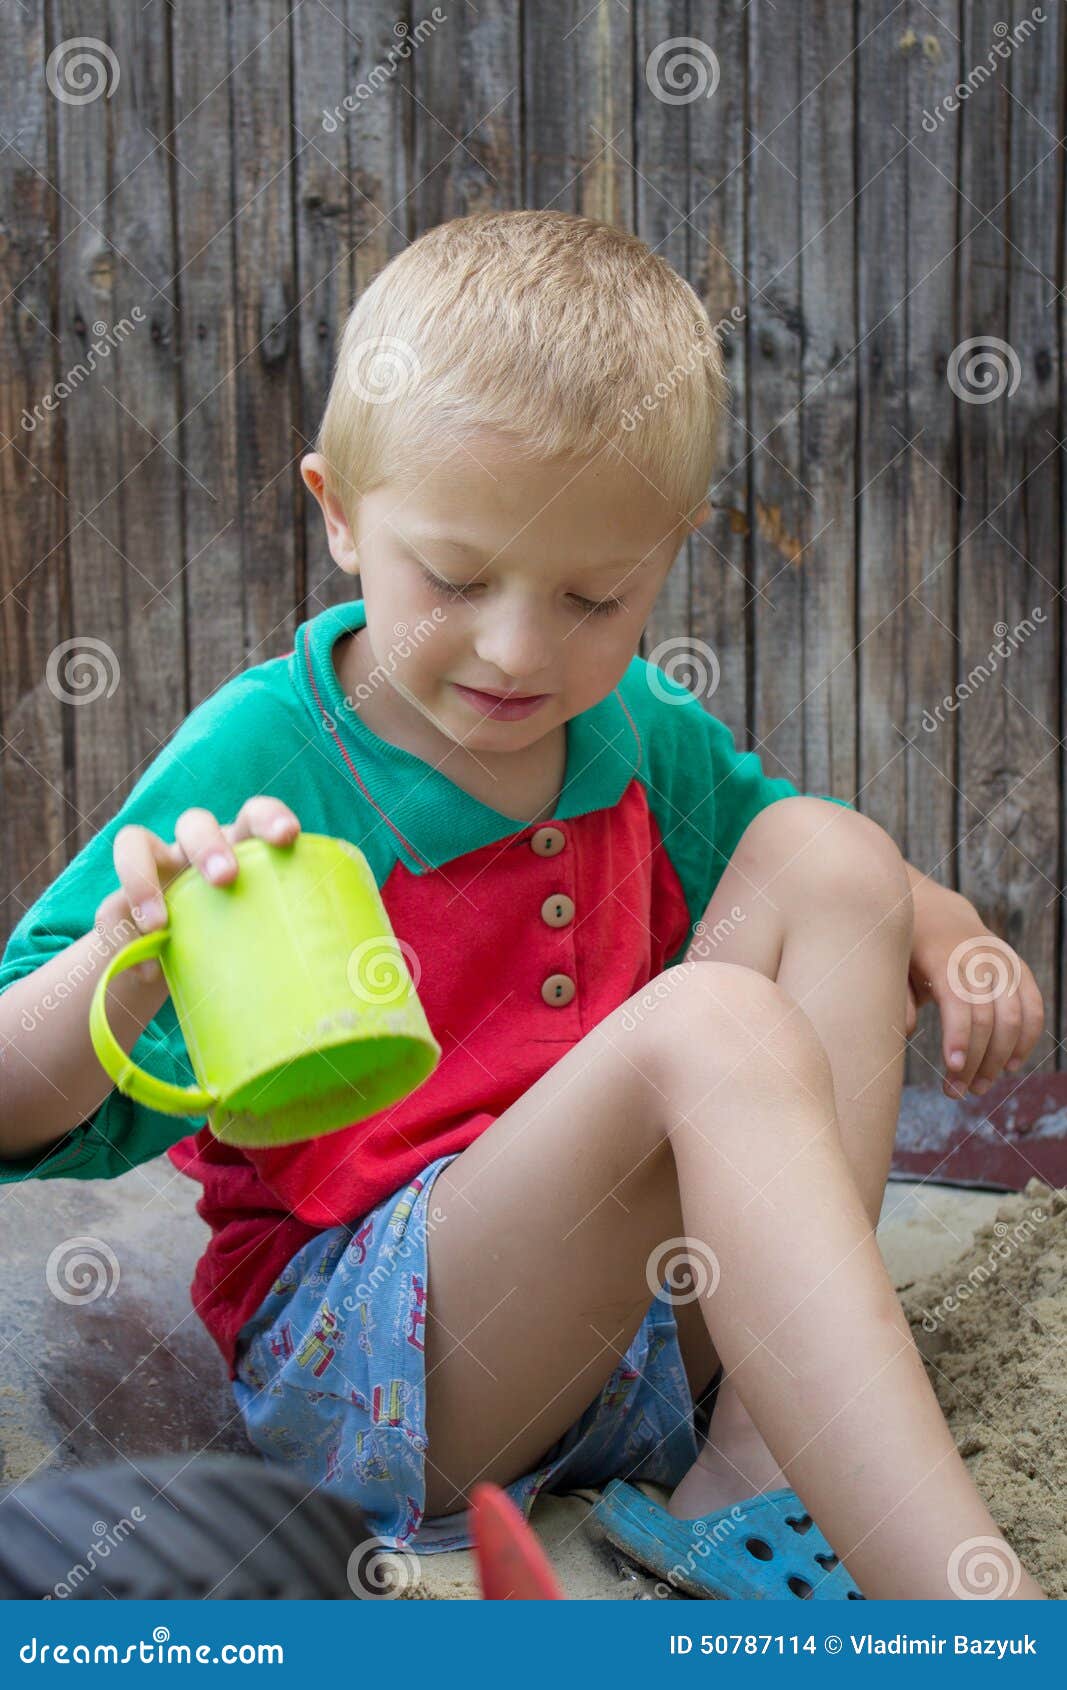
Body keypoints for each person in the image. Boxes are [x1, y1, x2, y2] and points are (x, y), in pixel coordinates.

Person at [0, 210, 1047, 1600]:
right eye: (456, 577)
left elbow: (800, 858)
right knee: (714, 1028)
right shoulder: (268, 759)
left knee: (829, 849)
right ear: (338, 511)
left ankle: (759, 1468)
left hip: (642, 1330)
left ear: (667, 556)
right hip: (387, 1368)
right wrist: (132, 962)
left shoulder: (626, 732)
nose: (518, 646)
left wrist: (949, 929)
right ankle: (973, 1611)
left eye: (592, 595)